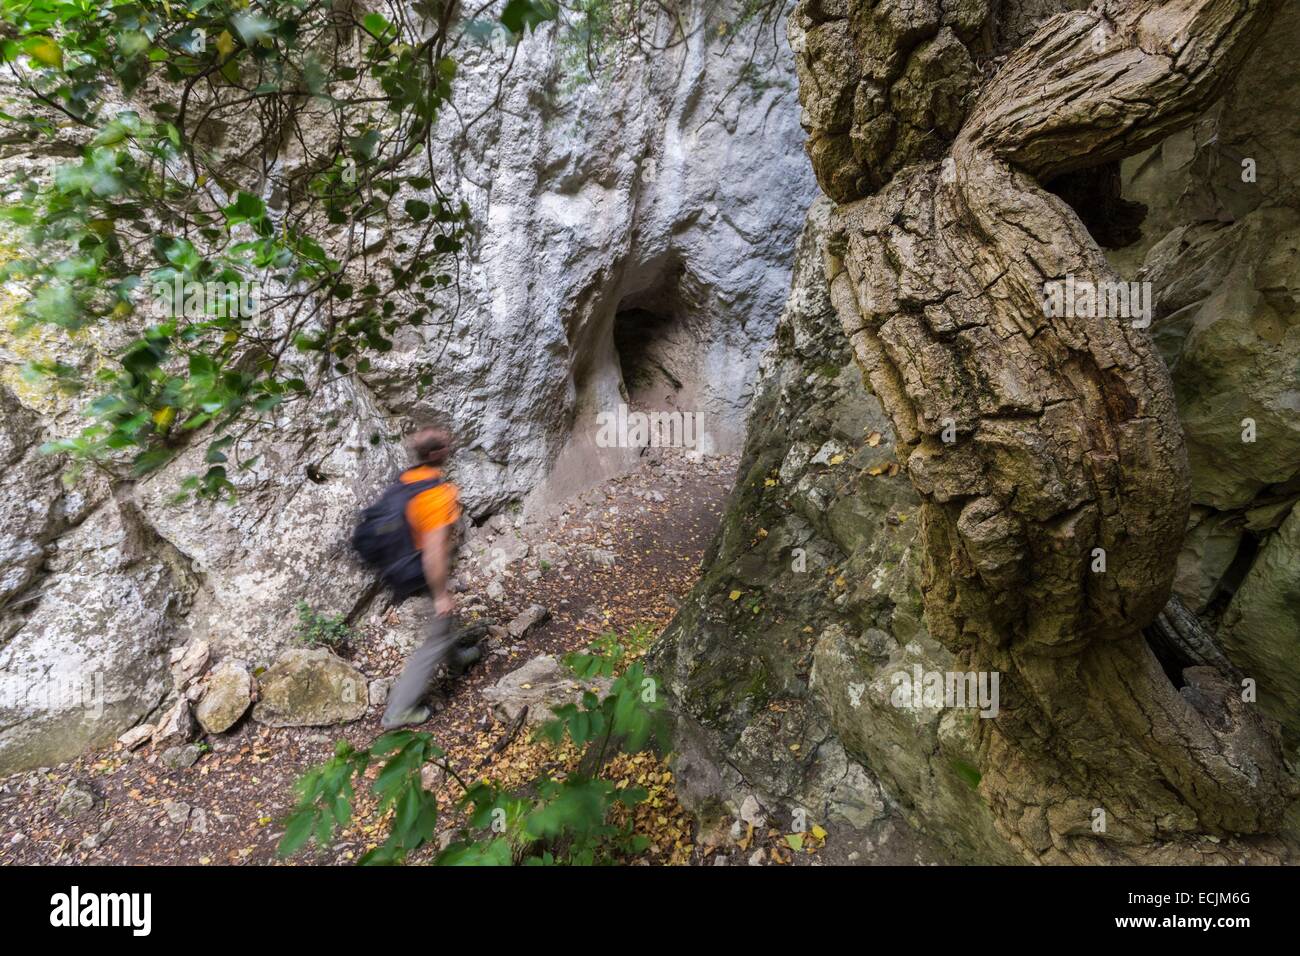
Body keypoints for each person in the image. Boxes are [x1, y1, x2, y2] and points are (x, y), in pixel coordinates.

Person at [381, 427, 478, 729]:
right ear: (436, 454)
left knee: (443, 623)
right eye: (447, 444)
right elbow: (434, 554)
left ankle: (457, 659)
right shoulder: (439, 495)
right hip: (423, 568)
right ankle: (398, 710)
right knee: (436, 632)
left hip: (402, 561)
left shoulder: (408, 480)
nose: (452, 446)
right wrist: (440, 594)